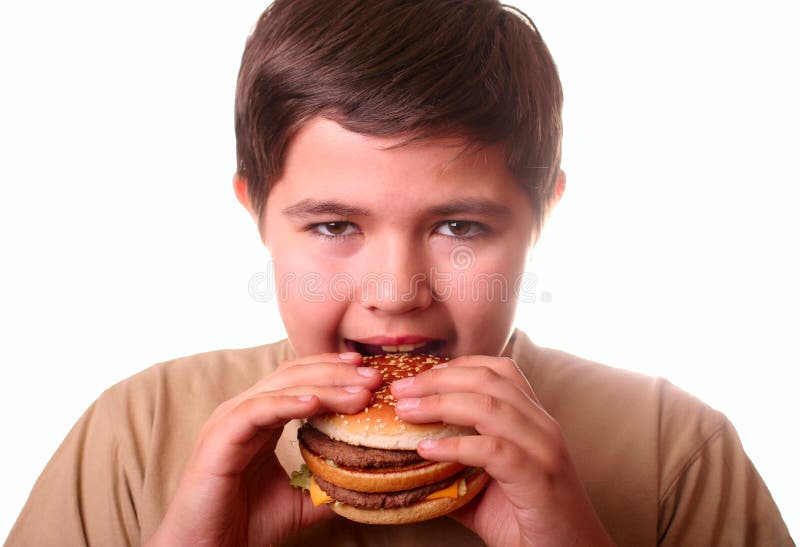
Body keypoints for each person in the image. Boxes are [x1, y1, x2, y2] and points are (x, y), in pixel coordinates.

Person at [6, 0, 793, 545]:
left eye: (459, 225)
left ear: (542, 214)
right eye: (334, 225)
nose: (394, 291)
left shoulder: (676, 448)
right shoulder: (135, 433)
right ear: (256, 213)